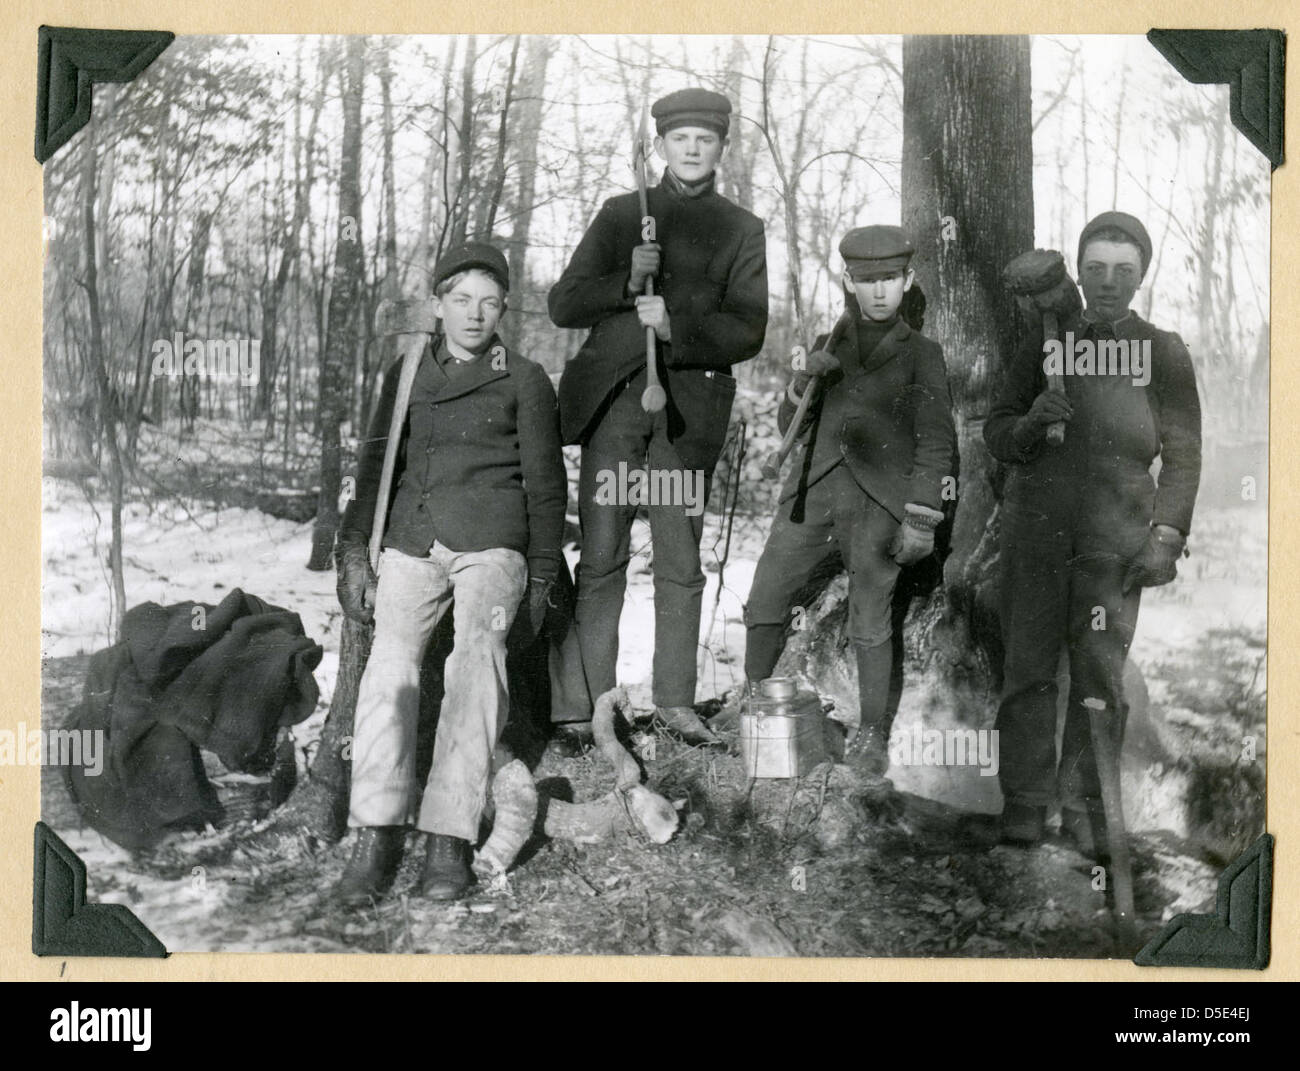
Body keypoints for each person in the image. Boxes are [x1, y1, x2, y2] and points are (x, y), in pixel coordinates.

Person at [333, 241, 566, 904]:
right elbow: (375, 471)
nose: (474, 314)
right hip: (414, 536)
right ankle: (375, 833)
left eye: (489, 302)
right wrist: (354, 552)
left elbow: (548, 488)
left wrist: (543, 576)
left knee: (476, 658)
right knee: (390, 664)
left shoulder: (524, 378)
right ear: (437, 303)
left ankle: (448, 838)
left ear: (503, 310)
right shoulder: (407, 372)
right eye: (461, 299)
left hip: (493, 546)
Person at [548, 88, 768, 745]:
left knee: (679, 556)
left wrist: (676, 325)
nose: (693, 149)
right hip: (617, 403)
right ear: (661, 145)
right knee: (603, 553)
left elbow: (748, 329)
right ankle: (589, 705)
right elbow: (564, 302)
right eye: (680, 139)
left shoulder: (741, 228)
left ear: (721, 148)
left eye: (705, 139)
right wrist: (624, 280)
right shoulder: (623, 216)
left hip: (684, 416)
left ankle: (675, 702)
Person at [984, 211, 1202, 854]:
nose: (1108, 282)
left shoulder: (1164, 351)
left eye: (1123, 272)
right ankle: (1025, 802)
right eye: (1096, 268)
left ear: (1140, 279)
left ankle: (1086, 807)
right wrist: (1028, 424)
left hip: (1116, 542)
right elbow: (996, 432)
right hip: (1035, 536)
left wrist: (1166, 534)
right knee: (1027, 671)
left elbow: (1185, 454)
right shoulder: (1043, 342)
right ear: (1078, 273)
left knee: (1099, 677)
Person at [741, 225, 956, 776]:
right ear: (847, 282)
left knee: (870, 621)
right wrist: (798, 384)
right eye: (867, 281)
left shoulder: (923, 354)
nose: (879, 291)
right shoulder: (825, 347)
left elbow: (936, 442)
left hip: (880, 509)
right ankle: (753, 707)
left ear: (907, 281)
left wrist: (920, 518)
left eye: (889, 279)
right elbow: (791, 426)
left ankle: (873, 735)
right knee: (766, 599)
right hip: (812, 498)